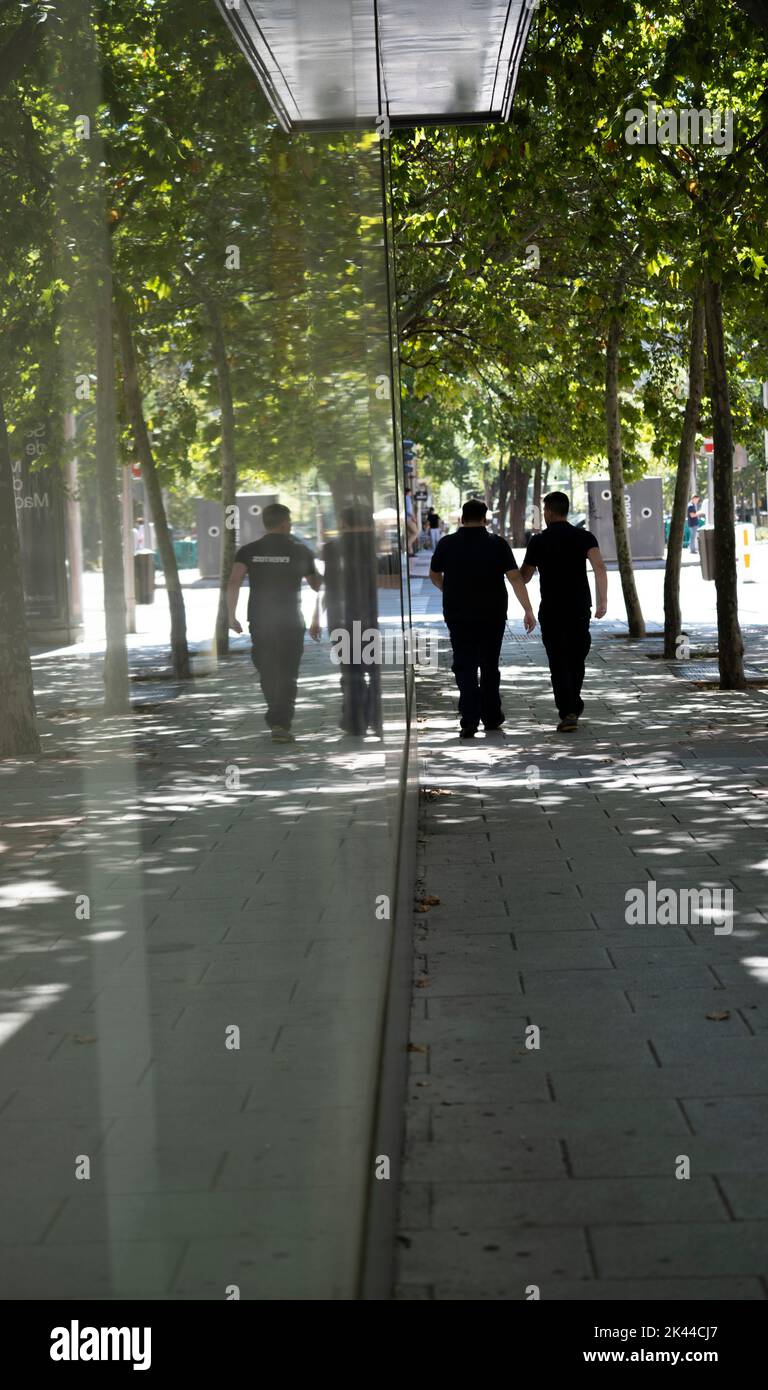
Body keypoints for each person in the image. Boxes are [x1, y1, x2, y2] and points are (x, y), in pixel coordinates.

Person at [430, 498, 536, 739]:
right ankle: (491, 716)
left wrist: (448, 589)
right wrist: (528, 610)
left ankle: (469, 718)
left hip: (458, 615)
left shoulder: (447, 544)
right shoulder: (497, 544)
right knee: (489, 665)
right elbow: (515, 578)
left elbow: (434, 574)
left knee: (464, 664)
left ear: (462, 518)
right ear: (485, 518)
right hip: (492, 615)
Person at [226, 502, 321, 743]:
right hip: (291, 620)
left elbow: (234, 581)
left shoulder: (247, 551)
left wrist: (231, 615)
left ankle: (277, 718)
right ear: (285, 523)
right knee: (288, 672)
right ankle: (280, 722)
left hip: (260, 619)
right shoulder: (300, 550)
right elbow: (318, 586)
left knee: (267, 669)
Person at [519, 491, 607, 733]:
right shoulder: (584, 537)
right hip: (579, 608)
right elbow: (599, 567)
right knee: (576, 659)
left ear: (547, 512)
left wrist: (511, 572)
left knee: (558, 662)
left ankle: (568, 710)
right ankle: (572, 706)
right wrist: (603, 601)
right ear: (566, 510)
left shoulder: (538, 541)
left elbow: (525, 577)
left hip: (552, 610)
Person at [314, 502, 382, 737]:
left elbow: (326, 585)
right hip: (368, 615)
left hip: (340, 617)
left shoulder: (331, 548)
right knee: (372, 668)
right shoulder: (370, 545)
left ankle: (355, 720)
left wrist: (316, 617)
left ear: (343, 523)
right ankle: (373, 715)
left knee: (350, 670)